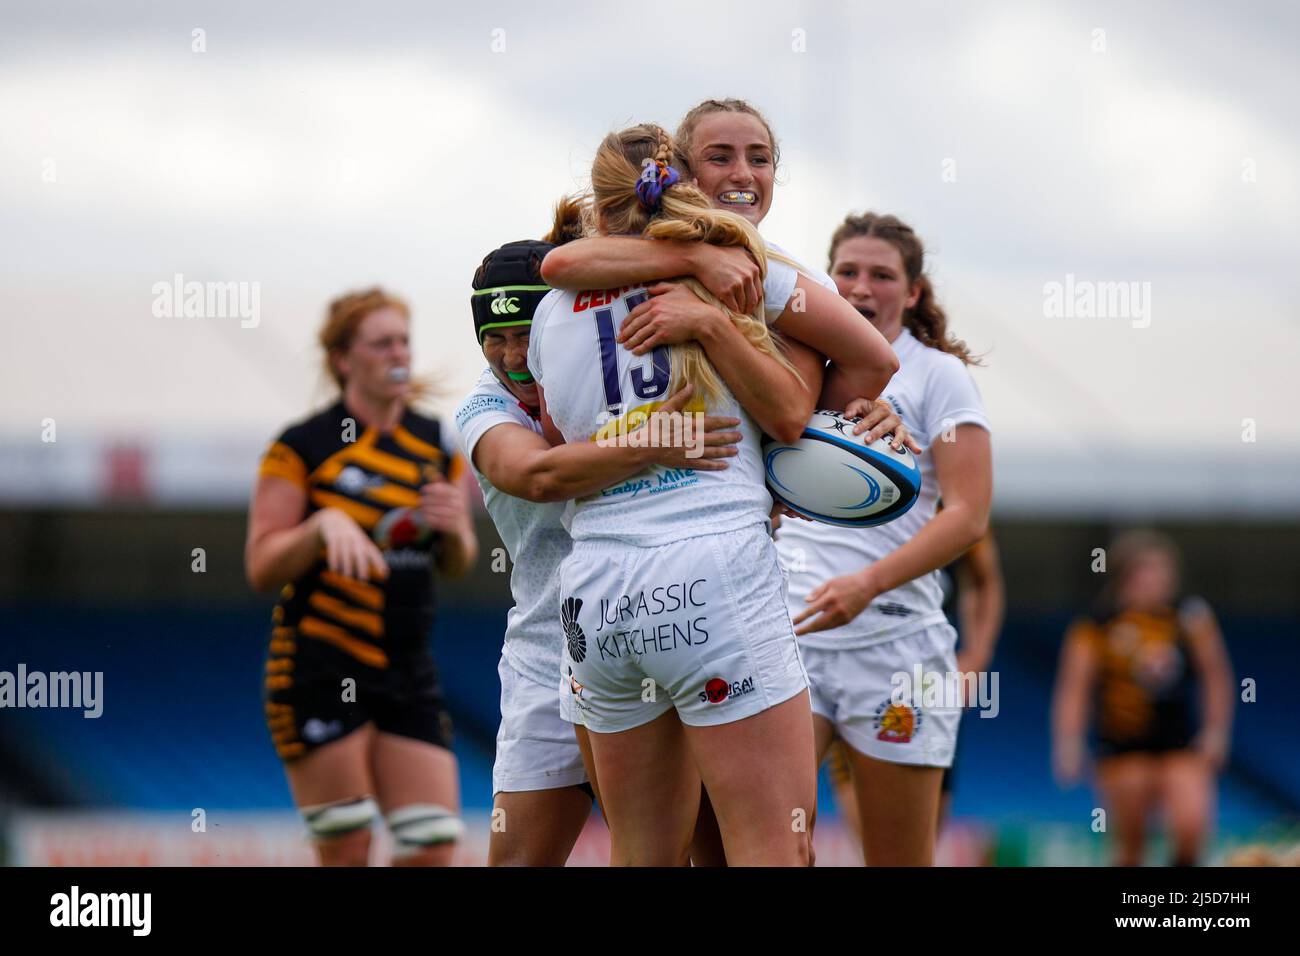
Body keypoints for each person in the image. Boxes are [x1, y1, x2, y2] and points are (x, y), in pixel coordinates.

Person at [541, 98, 918, 864]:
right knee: (773, 853)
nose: (743, 174)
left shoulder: (554, 308)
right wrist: (808, 436)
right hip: (712, 576)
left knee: (643, 855)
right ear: (679, 173)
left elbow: (557, 429)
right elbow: (872, 362)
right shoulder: (752, 266)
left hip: (596, 597)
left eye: (759, 157)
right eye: (720, 158)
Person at [455, 235, 743, 865]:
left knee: (707, 856)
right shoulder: (483, 408)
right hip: (546, 654)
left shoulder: (625, 360)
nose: (513, 357)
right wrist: (652, 443)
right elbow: (539, 476)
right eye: (493, 338)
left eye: (525, 333)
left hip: (658, 633)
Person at [780, 212, 994, 867]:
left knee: (897, 858)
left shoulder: (938, 378)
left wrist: (867, 584)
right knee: (771, 845)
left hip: (897, 645)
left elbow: (967, 515)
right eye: (846, 272)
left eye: (882, 274)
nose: (861, 286)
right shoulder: (796, 366)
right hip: (793, 634)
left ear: (914, 292)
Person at [246, 288, 477, 866]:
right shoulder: (302, 447)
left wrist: (456, 531)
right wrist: (322, 526)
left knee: (431, 846)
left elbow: (456, 563)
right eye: (381, 343)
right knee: (348, 848)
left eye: (403, 340)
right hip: (320, 664)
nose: (398, 352)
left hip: (407, 668)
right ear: (344, 359)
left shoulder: (435, 441)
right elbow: (260, 565)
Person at [1052, 529, 1234, 866]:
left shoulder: (1190, 617)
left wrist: (1217, 731)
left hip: (1181, 743)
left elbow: (1216, 676)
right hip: (1122, 746)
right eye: (1149, 572)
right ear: (1126, 576)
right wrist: (1069, 743)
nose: (1158, 581)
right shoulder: (1096, 625)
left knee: (1191, 829)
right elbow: (1074, 688)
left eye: (1163, 572)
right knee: (1130, 846)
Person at [824, 526, 1005, 854]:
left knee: (917, 845)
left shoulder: (948, 507)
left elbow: (986, 581)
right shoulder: (849, 501)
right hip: (850, 675)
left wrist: (978, 655)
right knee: (869, 842)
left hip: (927, 685)